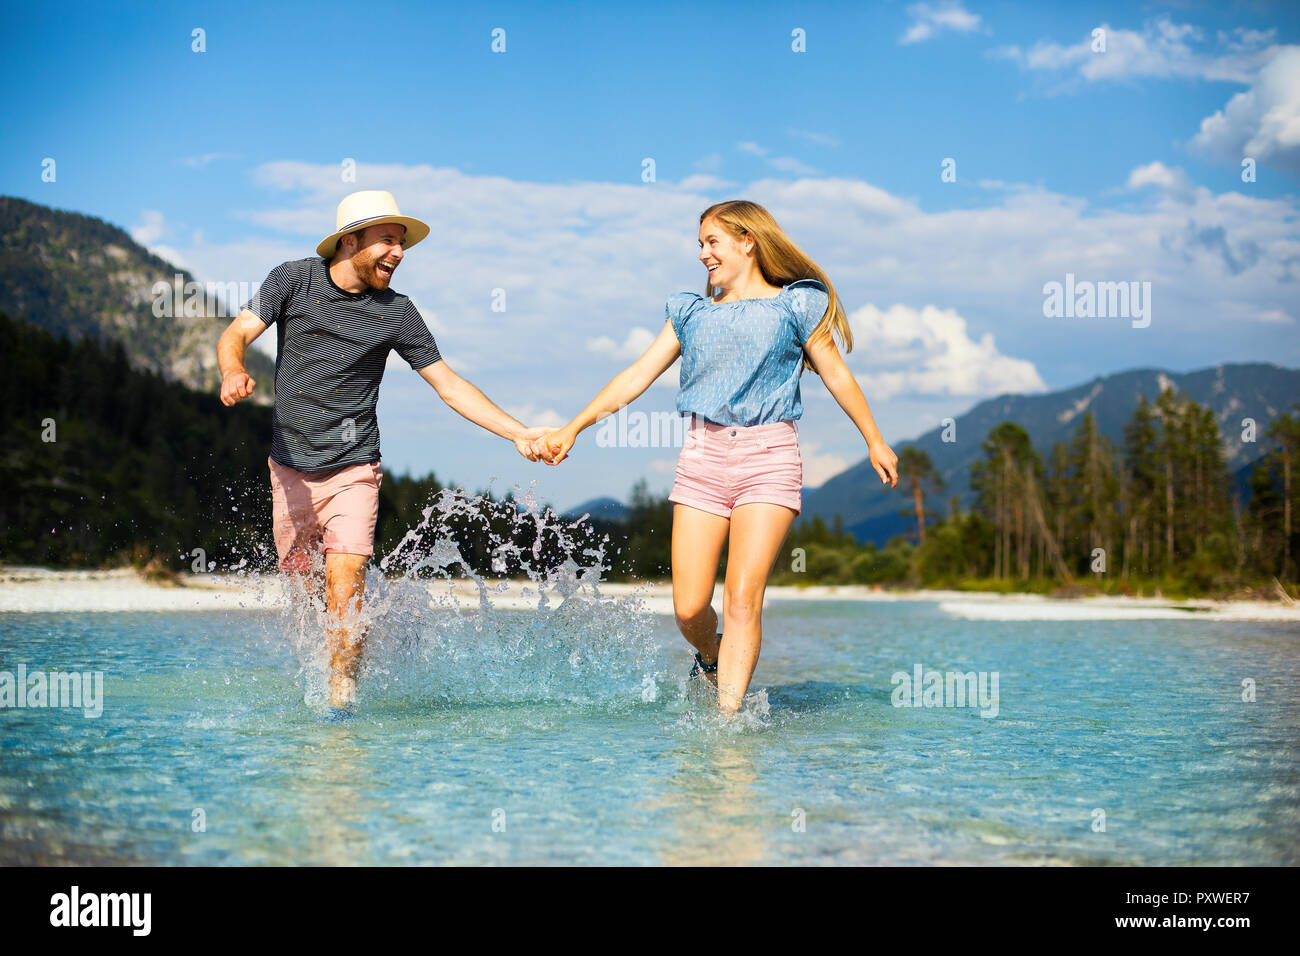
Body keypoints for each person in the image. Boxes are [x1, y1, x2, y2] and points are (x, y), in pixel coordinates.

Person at [527, 200, 899, 713]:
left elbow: (836, 373)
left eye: (712, 241)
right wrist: (574, 427)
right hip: (701, 459)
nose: (703, 254)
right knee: (689, 607)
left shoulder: (796, 305)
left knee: (743, 599)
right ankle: (711, 655)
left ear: (749, 241)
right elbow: (635, 377)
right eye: (700, 244)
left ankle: (728, 727)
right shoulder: (690, 312)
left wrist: (873, 439)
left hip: (768, 455)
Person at [217, 189, 549, 718]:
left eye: (402, 243)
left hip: (354, 468)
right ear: (351, 241)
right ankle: (358, 639)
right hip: (288, 470)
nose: (398, 252)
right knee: (308, 594)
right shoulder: (291, 279)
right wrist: (233, 369)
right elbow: (236, 333)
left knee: (343, 586)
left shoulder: (397, 313)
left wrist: (518, 433)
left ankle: (341, 702)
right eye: (388, 241)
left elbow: (449, 384)